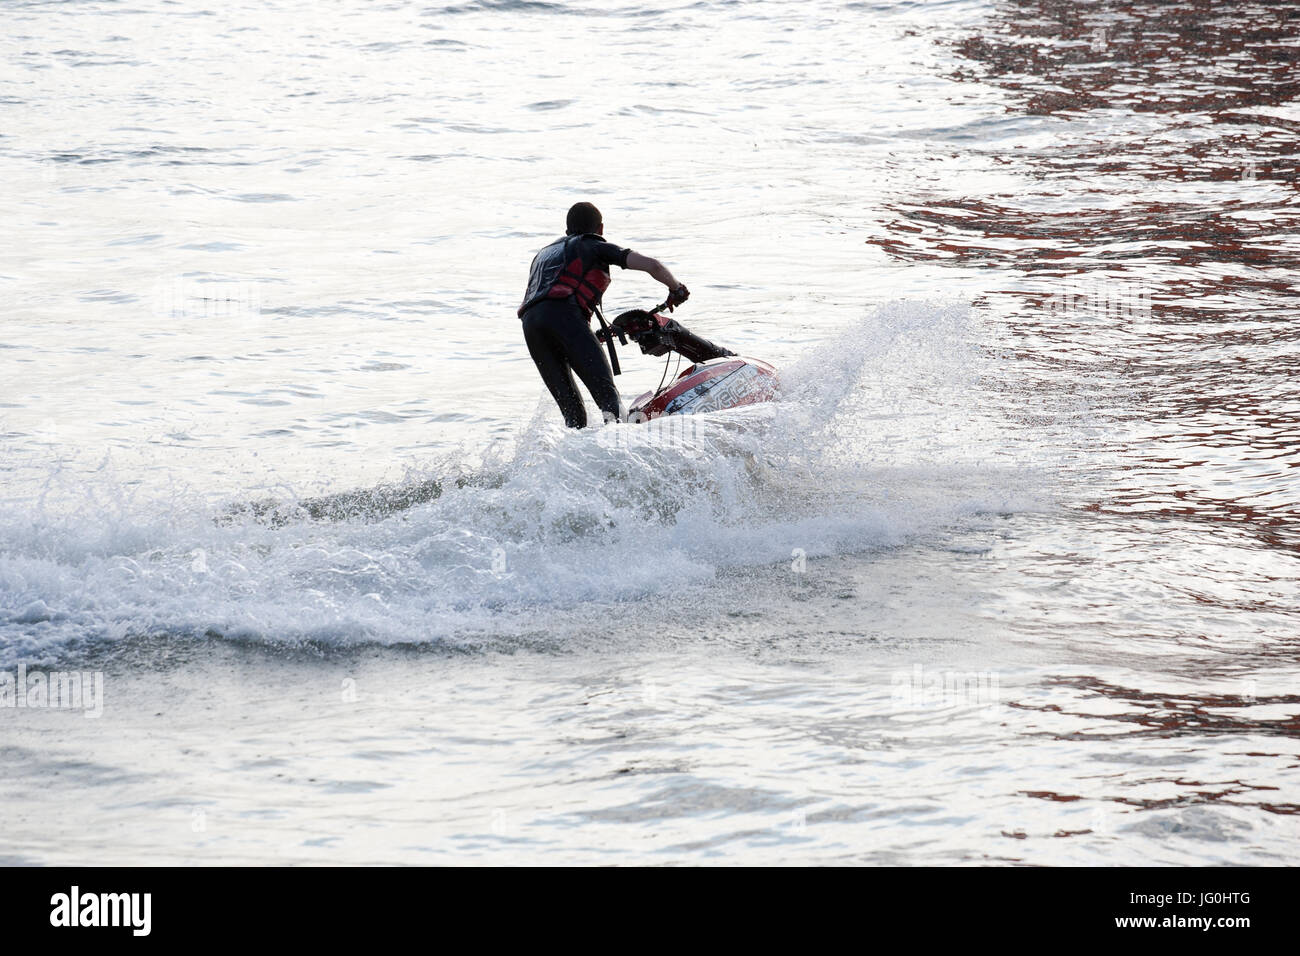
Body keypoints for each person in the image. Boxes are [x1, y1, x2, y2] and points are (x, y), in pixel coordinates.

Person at [518, 202, 689, 428]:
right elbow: (652, 265)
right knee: (610, 403)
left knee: (573, 413)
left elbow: (548, 303)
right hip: (566, 318)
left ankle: (571, 459)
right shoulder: (594, 245)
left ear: (567, 230)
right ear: (600, 229)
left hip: (531, 327)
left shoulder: (543, 255)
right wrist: (676, 289)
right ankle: (620, 454)